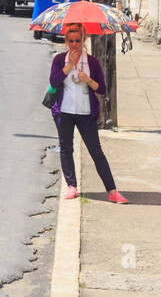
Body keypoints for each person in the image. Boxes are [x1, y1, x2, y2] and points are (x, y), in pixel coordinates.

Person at [49, 22, 128, 203]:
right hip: (64, 112)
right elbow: (53, 82)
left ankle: (112, 191)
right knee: (66, 149)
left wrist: (88, 80)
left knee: (96, 152)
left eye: (78, 40)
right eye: (71, 40)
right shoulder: (60, 60)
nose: (74, 44)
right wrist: (67, 68)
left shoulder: (91, 62)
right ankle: (72, 186)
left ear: (83, 40)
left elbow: (101, 89)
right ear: (66, 41)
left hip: (86, 113)